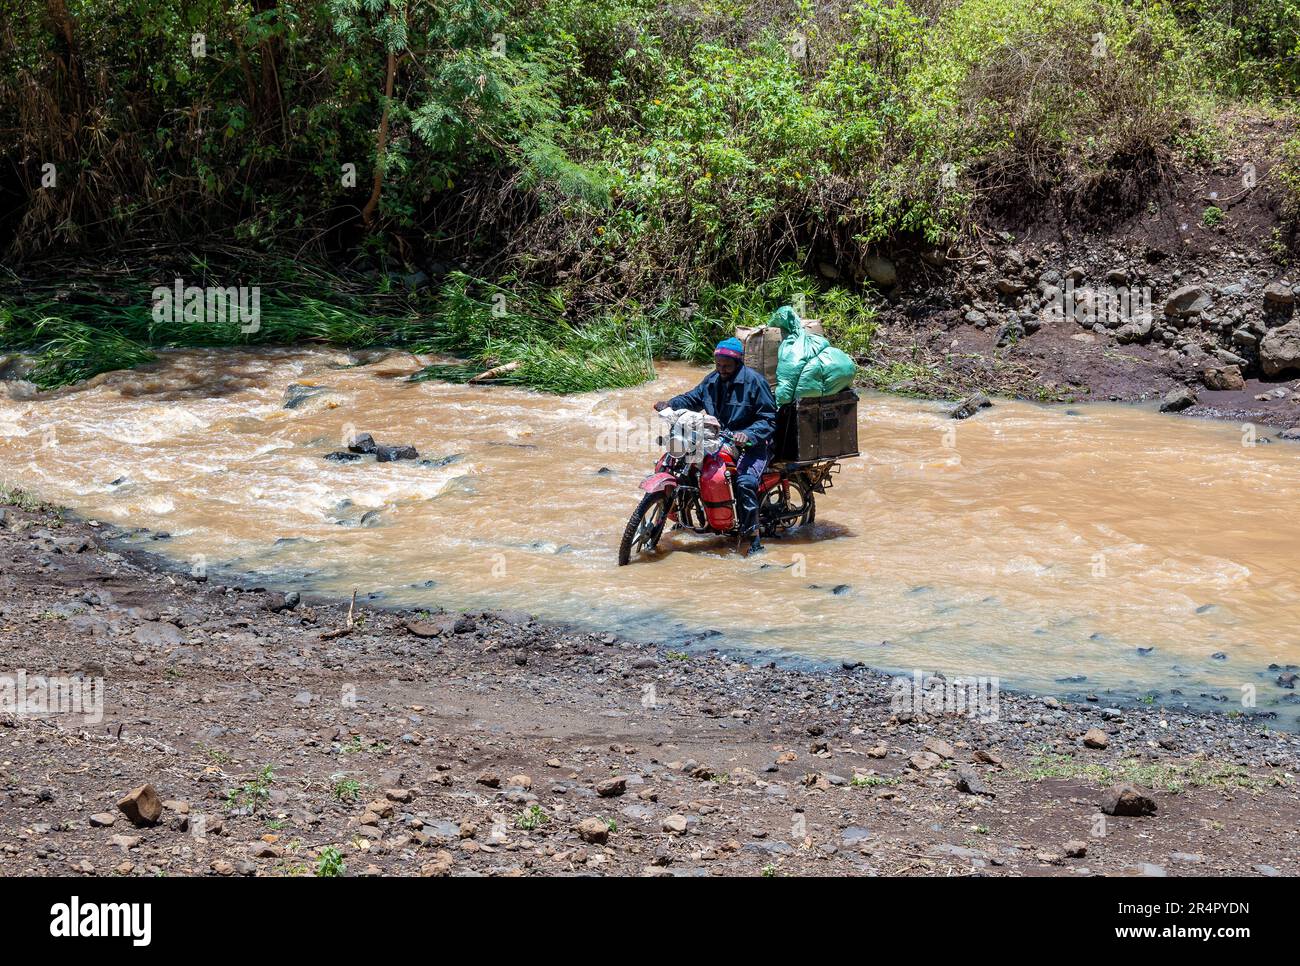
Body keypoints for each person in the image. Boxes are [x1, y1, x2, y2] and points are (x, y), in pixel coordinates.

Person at [654, 337, 777, 554]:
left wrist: (747, 434)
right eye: (719, 365)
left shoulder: (755, 383)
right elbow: (691, 398)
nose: (722, 370)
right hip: (721, 438)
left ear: (738, 363)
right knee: (687, 466)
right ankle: (685, 519)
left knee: (745, 482)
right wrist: (669, 404)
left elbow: (768, 419)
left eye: (727, 366)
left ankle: (753, 539)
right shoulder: (712, 381)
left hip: (754, 443)